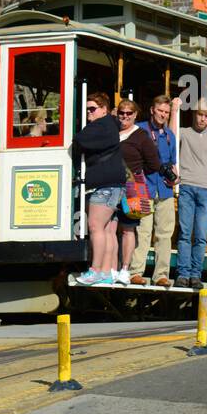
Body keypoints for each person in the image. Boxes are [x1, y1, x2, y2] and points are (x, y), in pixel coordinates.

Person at [71, 92, 127, 286]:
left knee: (95, 227)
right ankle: (108, 272)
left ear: (104, 109)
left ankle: (95, 271)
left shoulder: (102, 125)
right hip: (115, 186)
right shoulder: (111, 126)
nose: (89, 113)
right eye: (87, 109)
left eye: (92, 109)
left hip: (105, 185)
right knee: (109, 231)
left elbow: (80, 139)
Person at [172, 96, 207, 289]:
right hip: (186, 187)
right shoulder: (184, 133)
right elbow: (171, 135)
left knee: (201, 235)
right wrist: (174, 110)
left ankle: (196, 275)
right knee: (186, 233)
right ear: (194, 115)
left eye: (206, 116)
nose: (202, 119)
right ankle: (182, 274)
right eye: (200, 114)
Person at [131, 94, 178, 287]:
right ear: (152, 110)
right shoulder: (140, 130)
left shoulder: (170, 135)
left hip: (165, 190)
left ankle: (161, 275)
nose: (163, 115)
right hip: (143, 187)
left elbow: (172, 163)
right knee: (142, 231)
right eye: (160, 111)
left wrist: (174, 177)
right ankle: (135, 272)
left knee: (165, 234)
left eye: (167, 112)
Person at [114, 99, 159, 285]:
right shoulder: (111, 133)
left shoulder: (141, 136)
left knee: (128, 230)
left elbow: (154, 164)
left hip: (132, 189)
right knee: (109, 230)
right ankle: (109, 269)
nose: (125, 116)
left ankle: (125, 270)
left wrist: (136, 174)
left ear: (135, 115)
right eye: (121, 113)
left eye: (129, 113)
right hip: (108, 186)